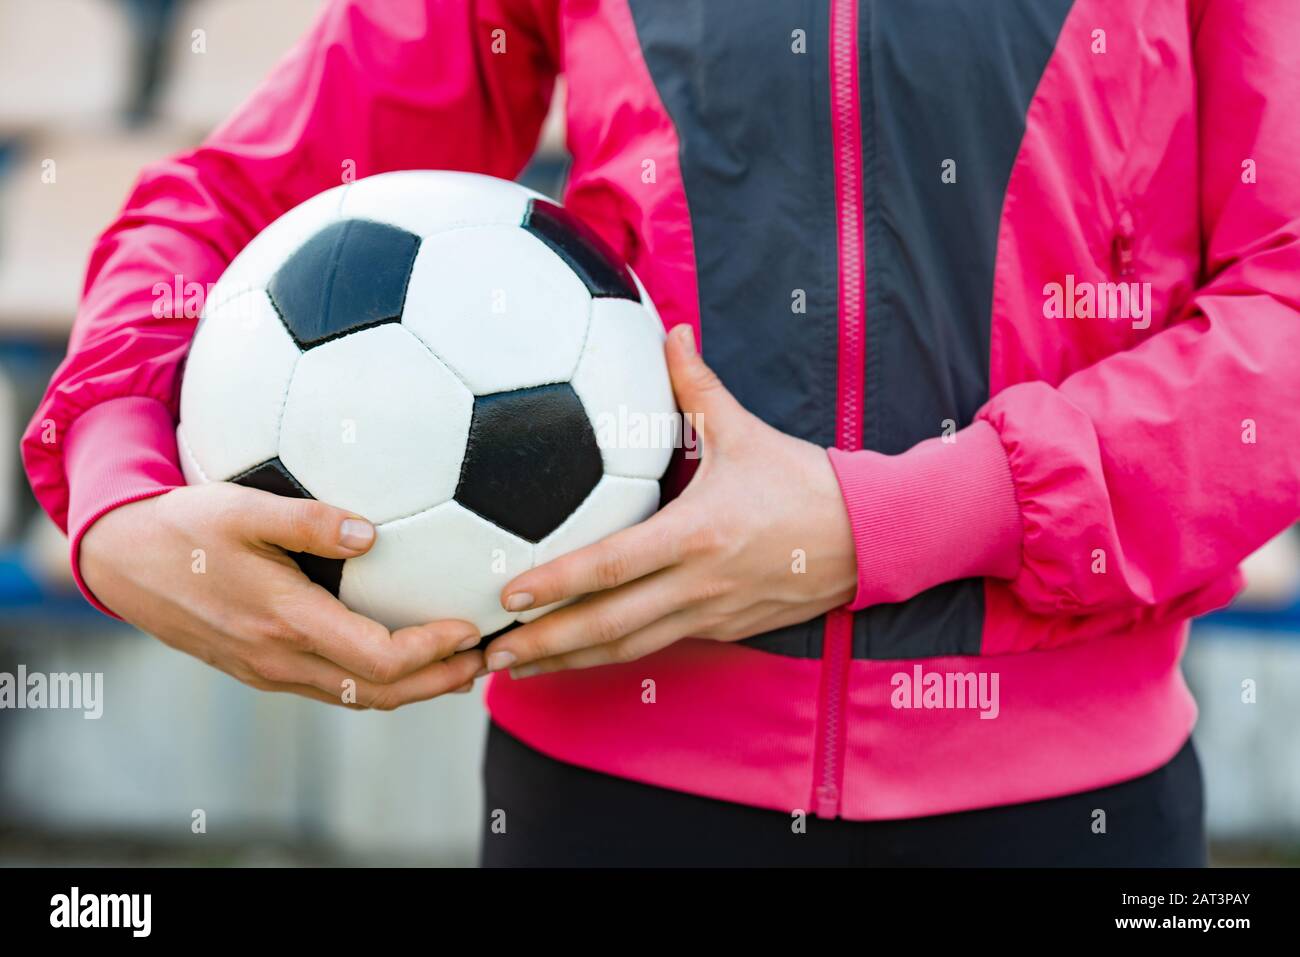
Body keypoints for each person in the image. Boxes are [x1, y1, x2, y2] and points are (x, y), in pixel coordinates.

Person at [22, 0, 1300, 866]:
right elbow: (233, 206)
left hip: (1074, 812)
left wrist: (896, 521)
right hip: (604, 798)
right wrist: (117, 486)